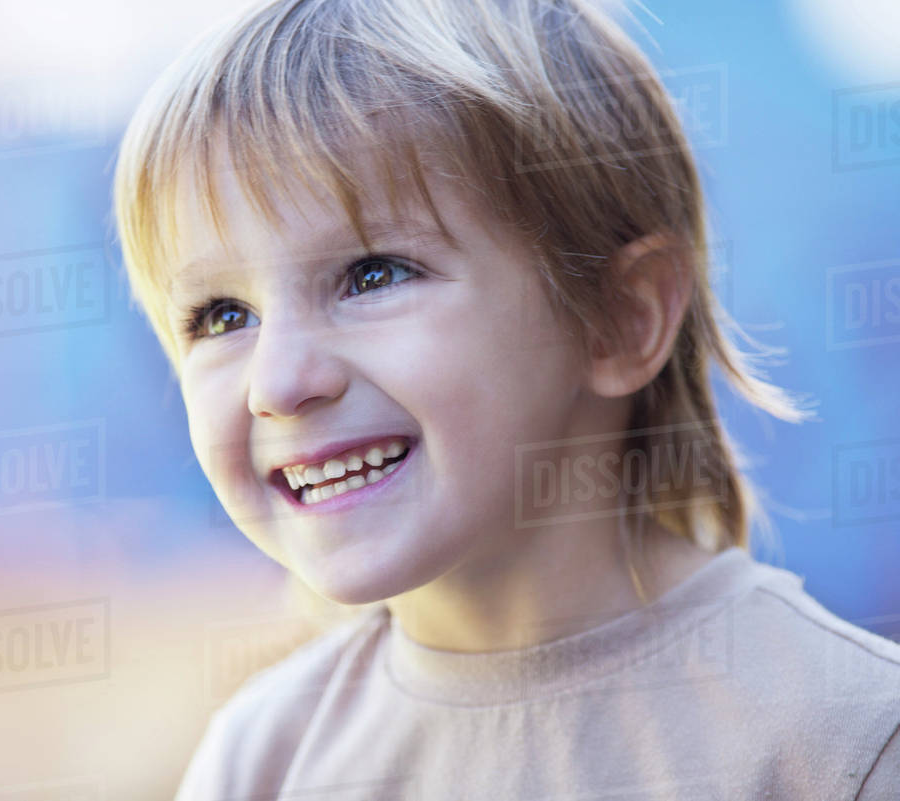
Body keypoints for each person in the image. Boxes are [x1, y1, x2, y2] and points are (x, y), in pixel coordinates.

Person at [112, 0, 900, 797]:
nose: (278, 383)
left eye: (373, 274)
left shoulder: (847, 741)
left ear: (620, 319)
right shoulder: (260, 761)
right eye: (222, 316)